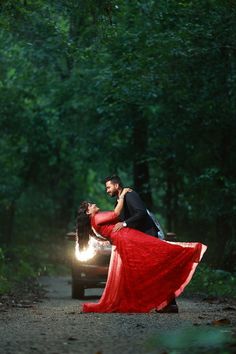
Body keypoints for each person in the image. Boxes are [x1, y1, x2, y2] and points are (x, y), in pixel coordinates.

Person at [76, 189, 207, 313]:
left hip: (124, 238)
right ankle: (188, 251)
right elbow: (115, 213)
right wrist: (122, 196)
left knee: (144, 266)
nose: (94, 205)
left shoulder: (94, 222)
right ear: (88, 212)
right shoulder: (97, 218)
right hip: (126, 238)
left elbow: (109, 230)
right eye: (91, 205)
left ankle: (163, 301)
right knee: (156, 252)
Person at [105, 175, 179, 313]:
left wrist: (125, 223)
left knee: (156, 270)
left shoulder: (130, 195)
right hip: (139, 241)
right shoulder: (119, 202)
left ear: (116, 186)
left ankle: (170, 303)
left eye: (108, 187)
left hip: (148, 236)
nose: (107, 190)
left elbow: (141, 213)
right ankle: (151, 303)